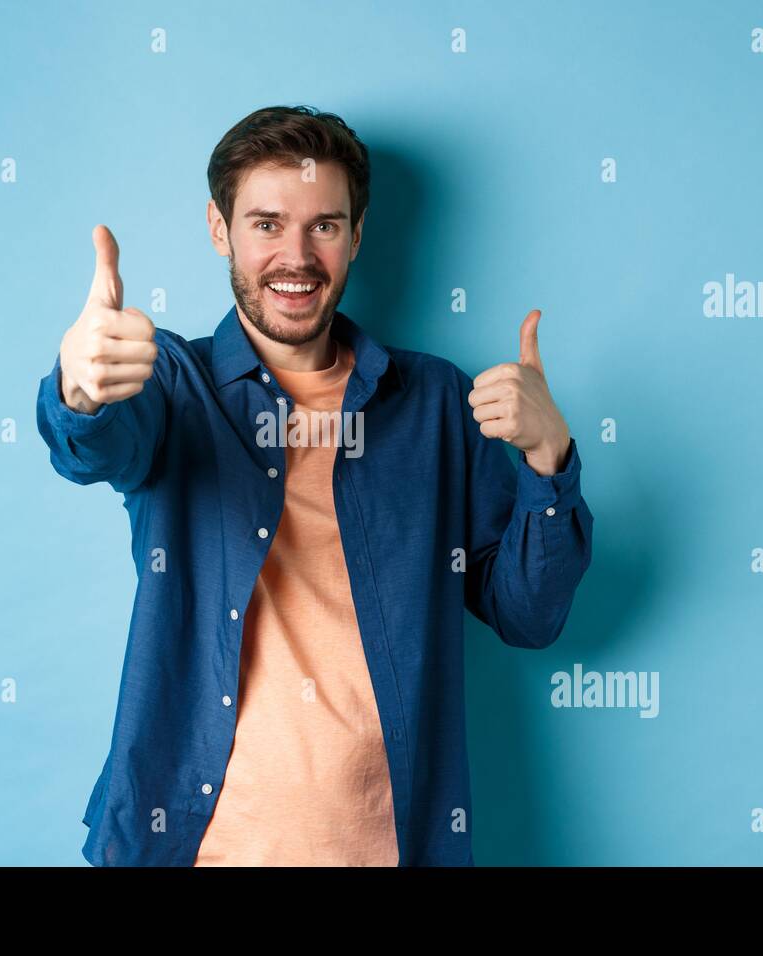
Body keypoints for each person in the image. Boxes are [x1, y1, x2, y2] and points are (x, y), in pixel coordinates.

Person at [36, 105, 594, 866]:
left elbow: (528, 615)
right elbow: (93, 449)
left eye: (323, 226)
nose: (295, 257)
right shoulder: (171, 383)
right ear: (218, 228)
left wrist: (548, 461)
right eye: (266, 223)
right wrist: (80, 388)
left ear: (357, 237)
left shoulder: (433, 402)